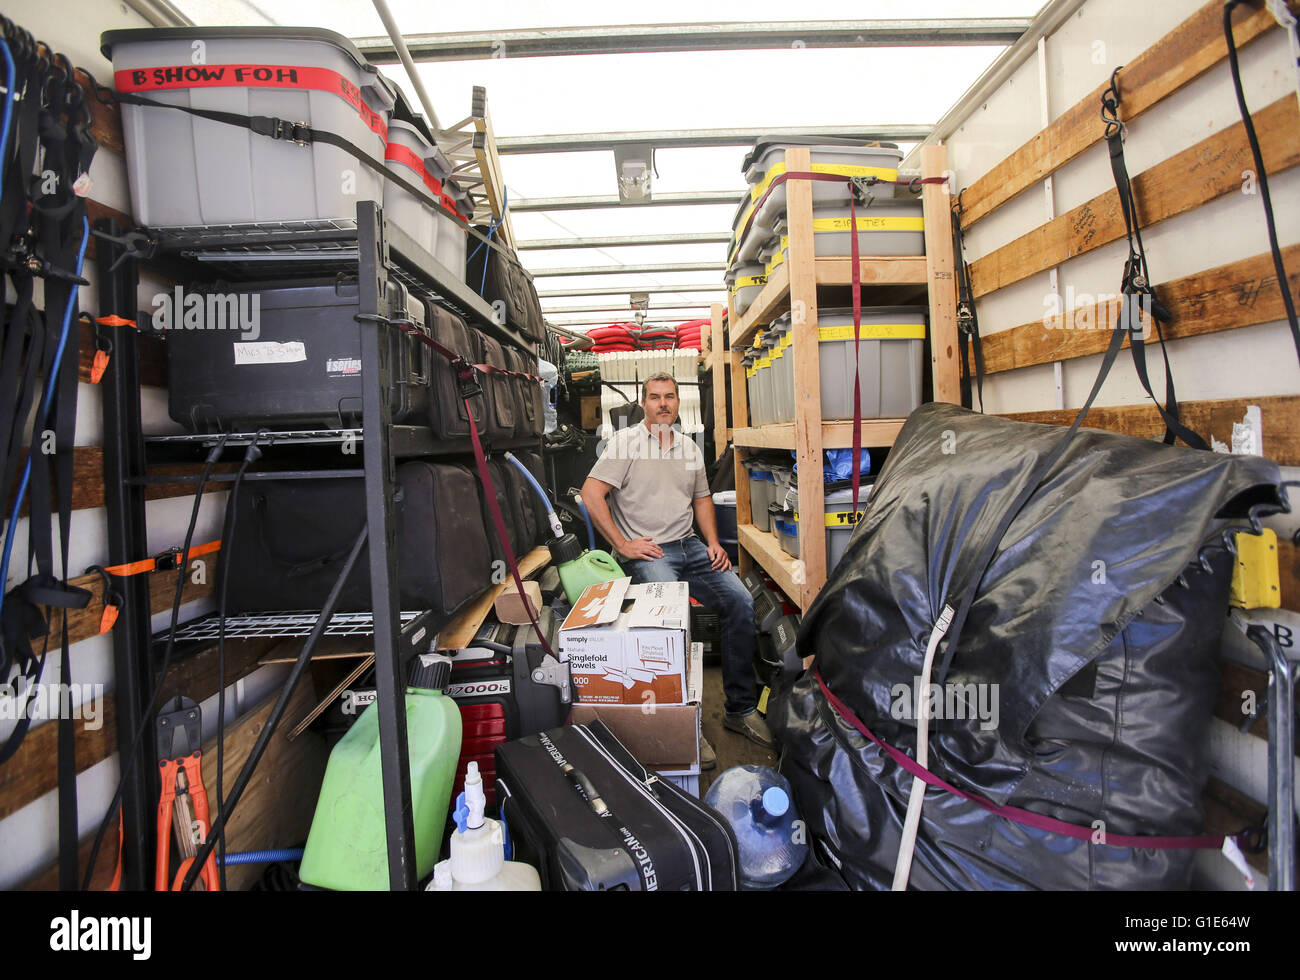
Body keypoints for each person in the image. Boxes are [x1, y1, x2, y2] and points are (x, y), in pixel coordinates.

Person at [581, 372, 773, 768]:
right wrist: (621, 544)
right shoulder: (625, 443)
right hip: (650, 552)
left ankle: (738, 709)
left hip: (690, 546)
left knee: (740, 601)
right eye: (655, 397)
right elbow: (590, 494)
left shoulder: (688, 447)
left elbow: (702, 499)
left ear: (678, 402)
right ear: (644, 403)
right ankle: (687, 722)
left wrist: (715, 542)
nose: (663, 404)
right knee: (674, 623)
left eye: (670, 397)